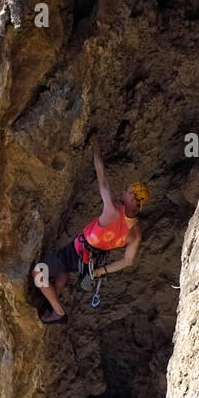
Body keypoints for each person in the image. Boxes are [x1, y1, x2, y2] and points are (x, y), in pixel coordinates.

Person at [32, 139, 149, 324]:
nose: (123, 192)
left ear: (133, 197)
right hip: (91, 263)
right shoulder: (136, 232)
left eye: (127, 191)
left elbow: (101, 176)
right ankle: (51, 299)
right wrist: (100, 272)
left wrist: (96, 147)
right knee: (62, 272)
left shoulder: (113, 208)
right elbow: (128, 261)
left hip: (77, 251)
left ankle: (58, 312)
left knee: (38, 272)